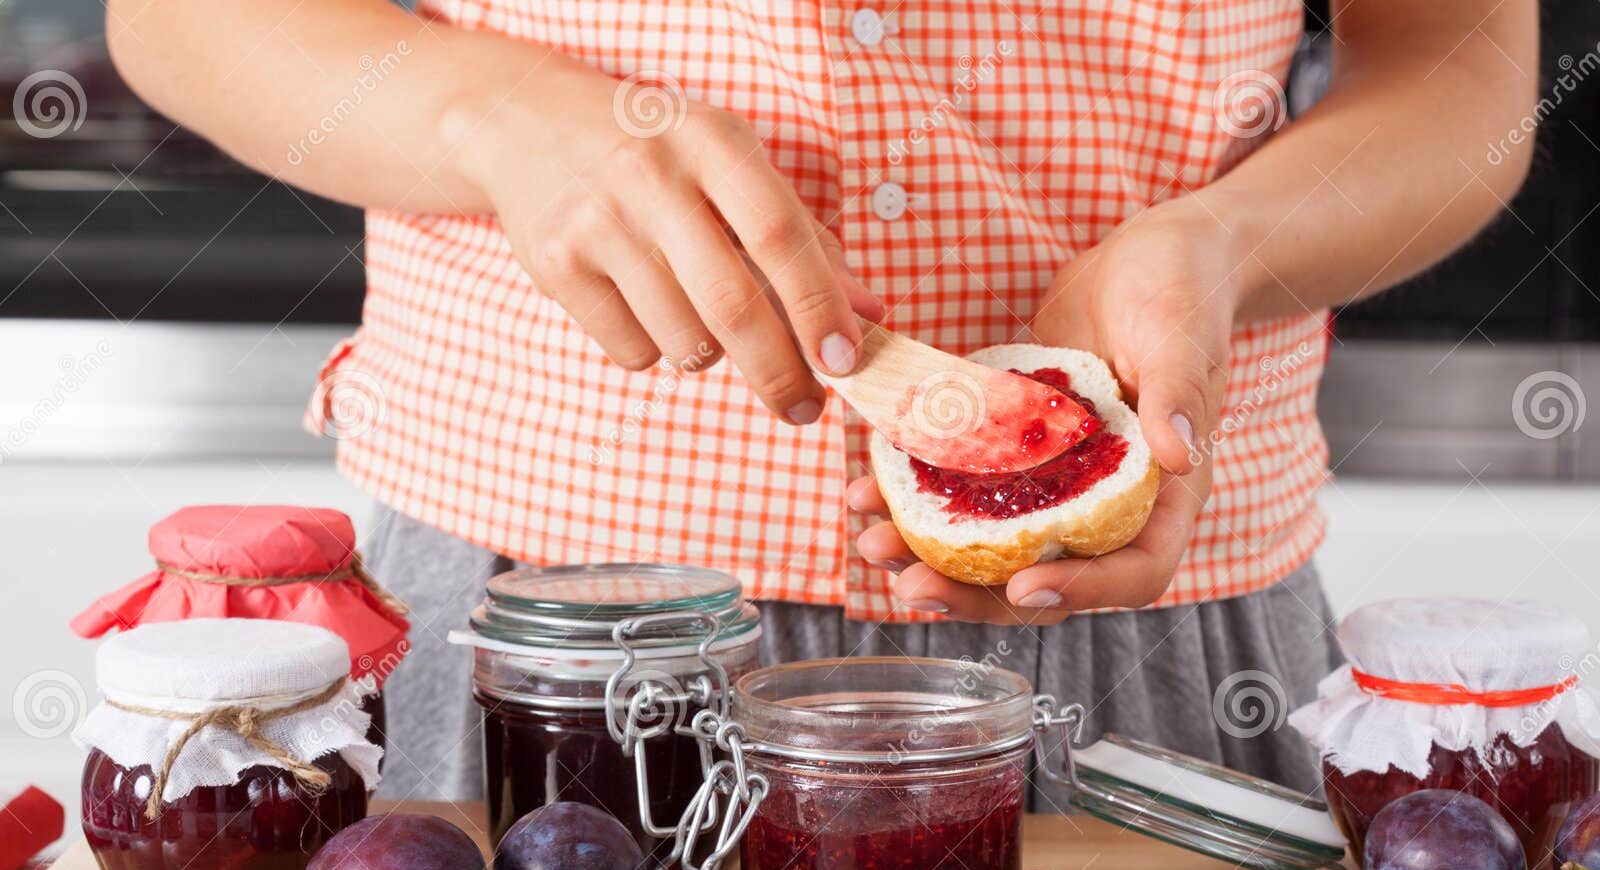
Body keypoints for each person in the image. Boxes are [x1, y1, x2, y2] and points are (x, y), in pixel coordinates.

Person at [107, 0, 1535, 805]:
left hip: (1147, 624)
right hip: (535, 629)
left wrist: (1230, 249)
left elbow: (1460, 65)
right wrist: (484, 112)